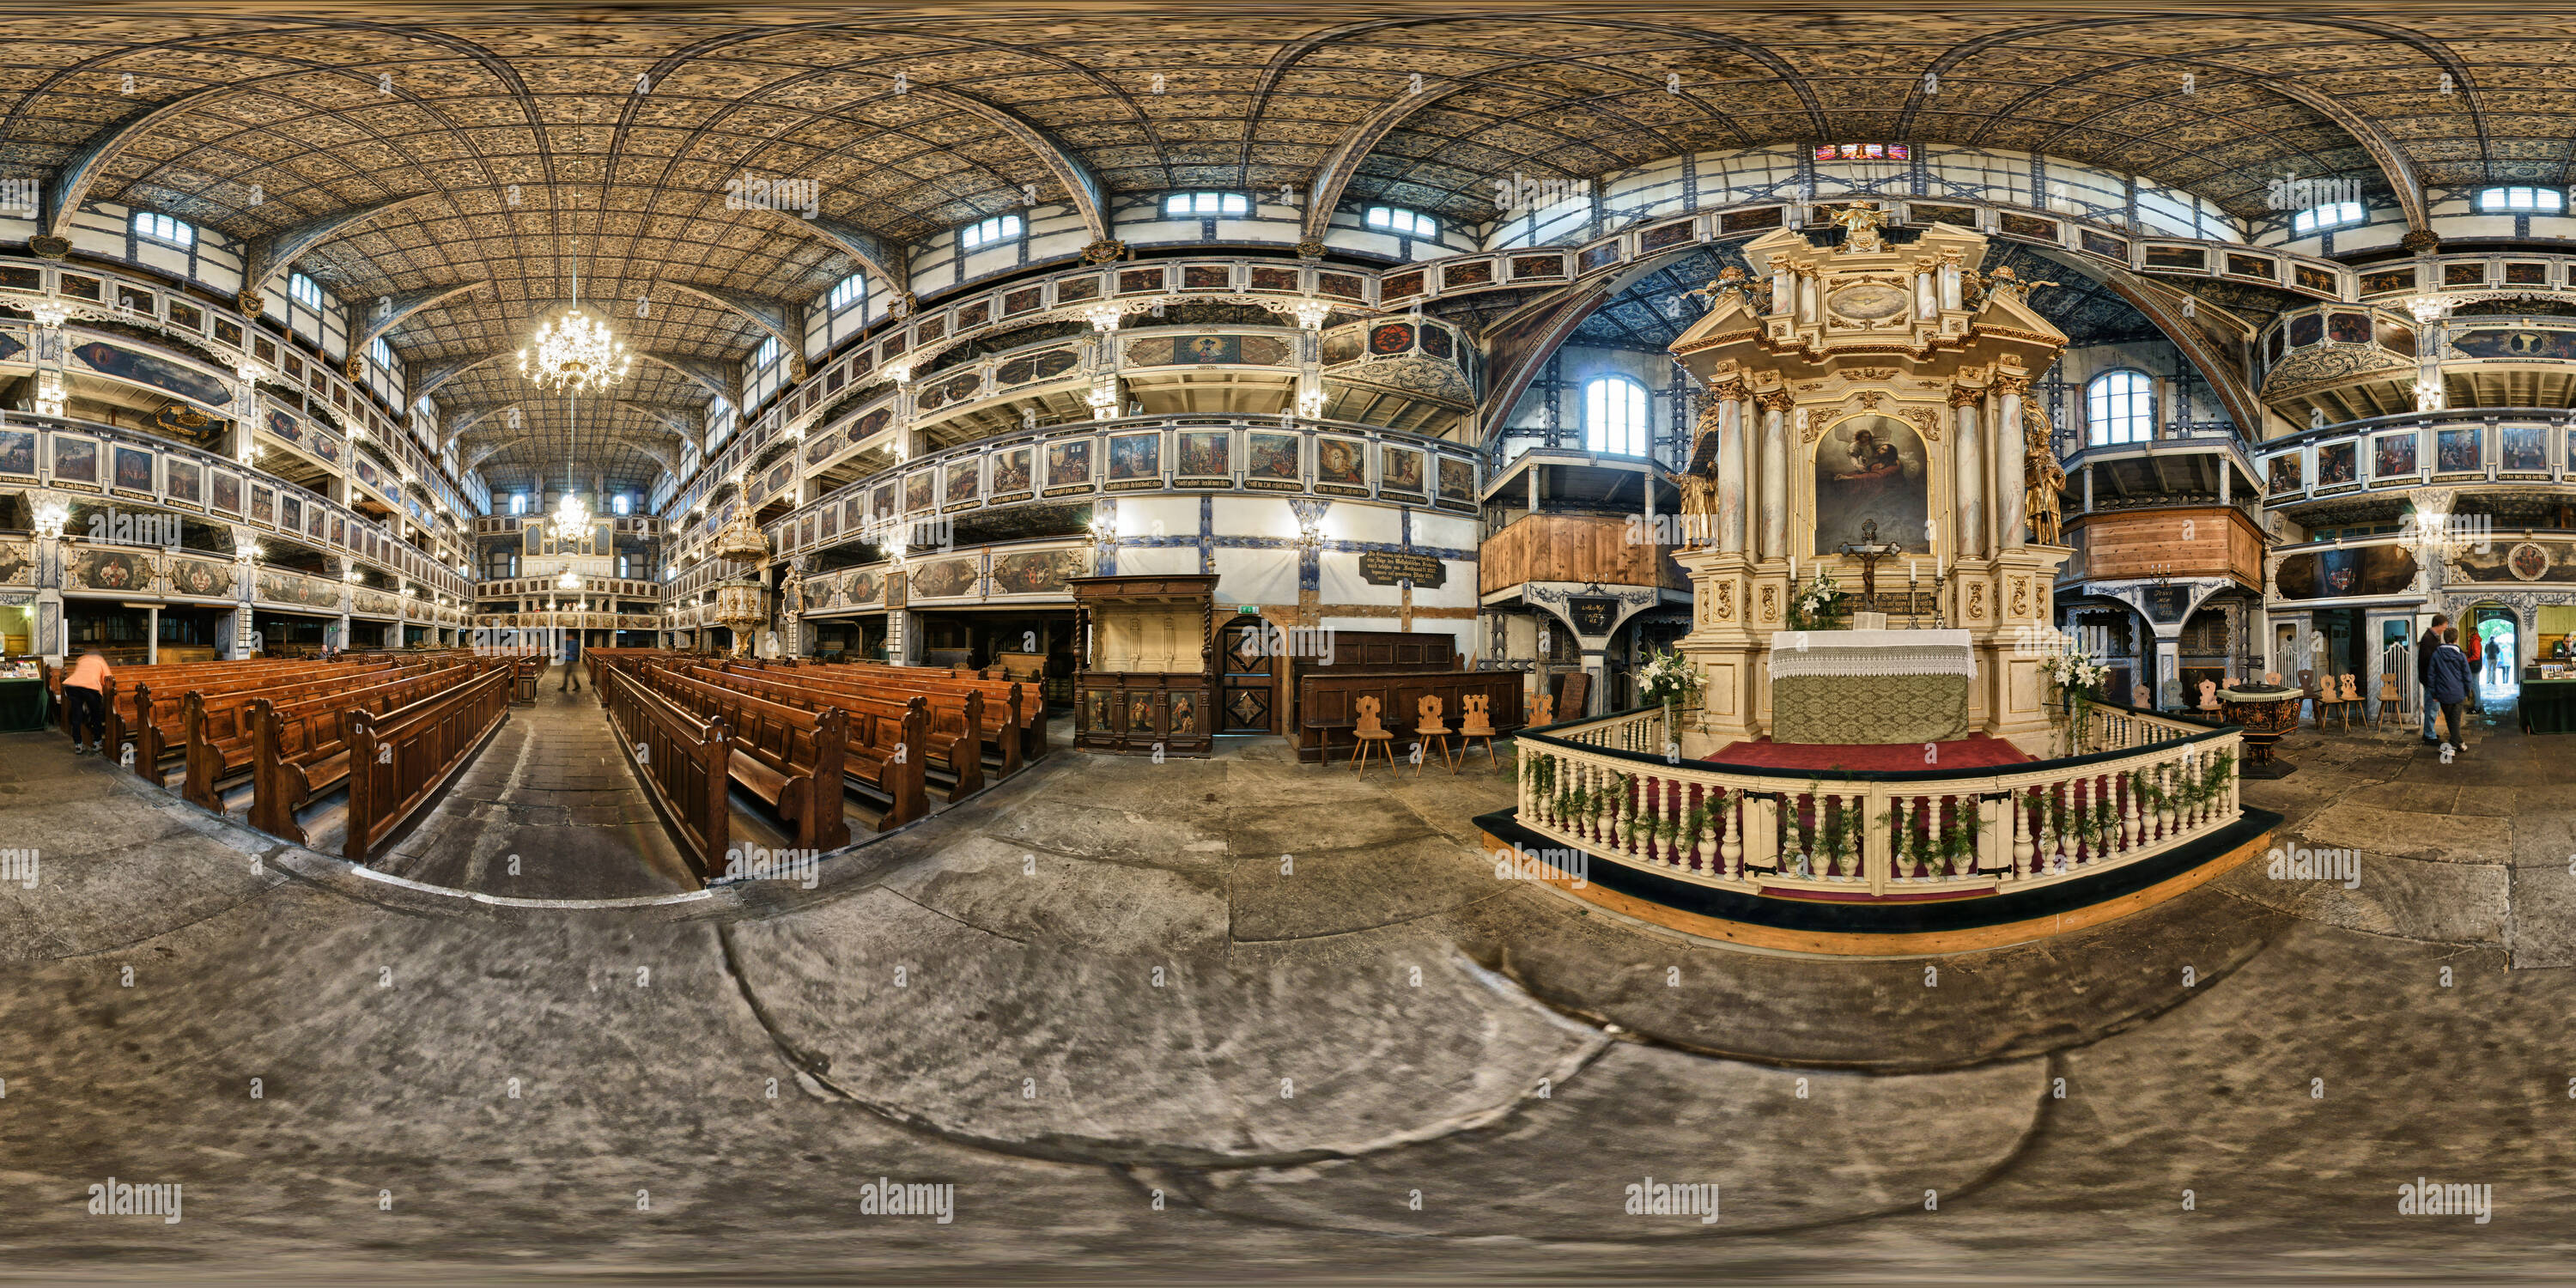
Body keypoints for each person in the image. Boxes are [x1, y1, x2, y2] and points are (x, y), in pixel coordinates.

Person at [2428, 625, 2473, 757]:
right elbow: (2467, 675)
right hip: (2458, 692)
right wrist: (2467, 691)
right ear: (2456, 639)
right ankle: (2456, 744)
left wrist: (2433, 693)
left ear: (2444, 638)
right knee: (2454, 720)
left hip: (2443, 692)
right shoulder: (2460, 655)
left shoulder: (2436, 654)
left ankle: (2455, 743)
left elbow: (2432, 674)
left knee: (2450, 719)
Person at [61, 646, 110, 756]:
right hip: (90, 687)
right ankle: (97, 742)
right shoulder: (100, 660)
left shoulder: (82, 659)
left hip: (73, 687)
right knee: (96, 714)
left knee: (76, 716)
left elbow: (80, 674)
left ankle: (78, 744)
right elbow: (108, 678)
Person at [2416, 614, 2448, 744]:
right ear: (2439, 625)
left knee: (2433, 707)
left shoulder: (2432, 637)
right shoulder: (2428, 639)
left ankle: (2429, 733)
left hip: (2431, 679)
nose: (2445, 629)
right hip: (2430, 680)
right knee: (2431, 707)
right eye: (2444, 626)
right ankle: (2429, 735)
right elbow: (2428, 662)